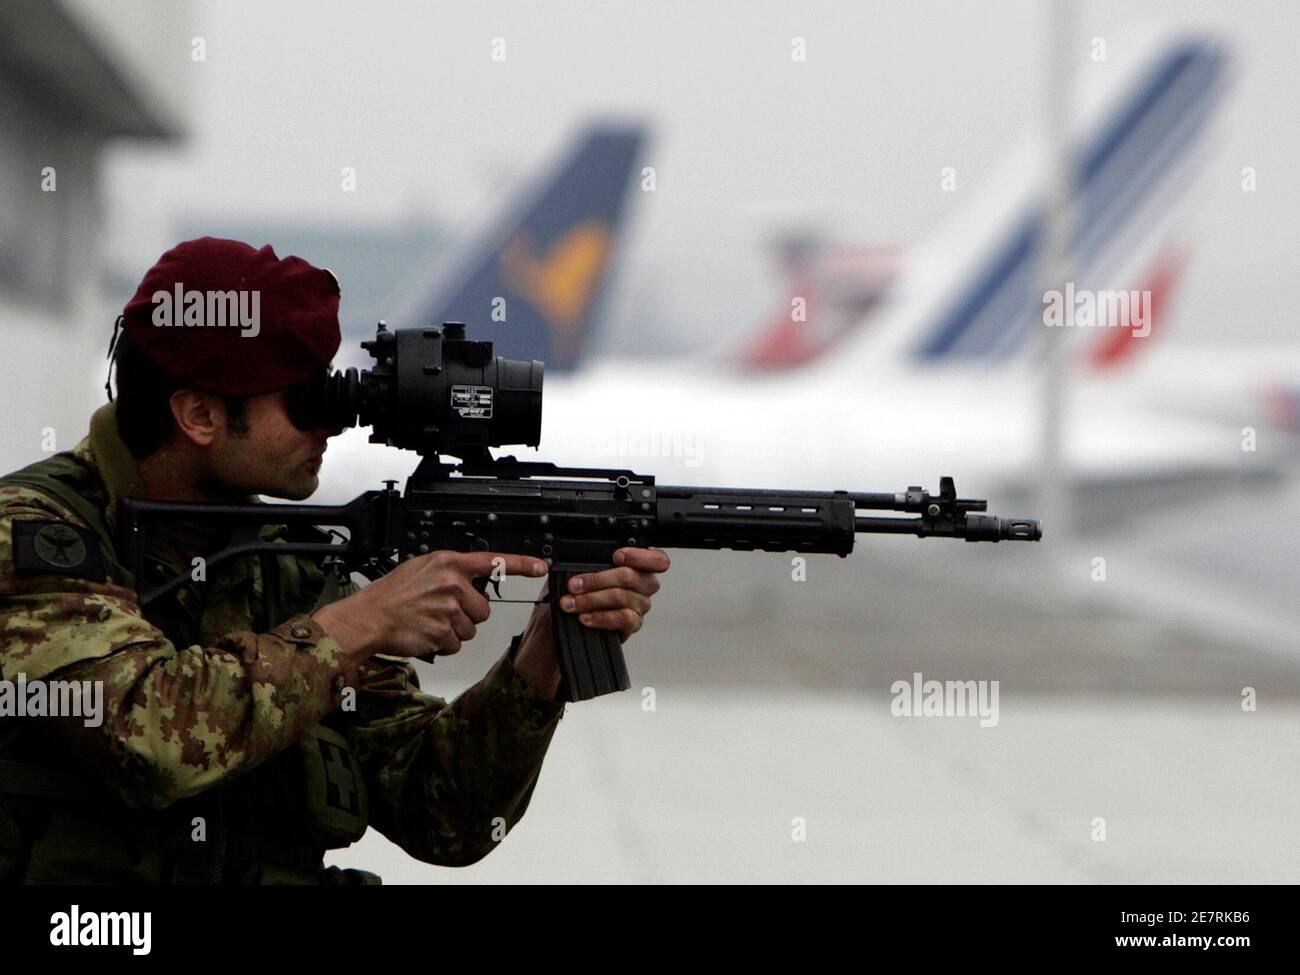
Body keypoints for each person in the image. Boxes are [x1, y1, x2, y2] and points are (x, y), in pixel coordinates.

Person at [0, 237, 669, 884]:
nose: (334, 421)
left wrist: (545, 654)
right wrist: (360, 622)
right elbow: (149, 740)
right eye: (304, 401)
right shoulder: (37, 533)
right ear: (200, 415)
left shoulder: (285, 565)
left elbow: (442, 811)